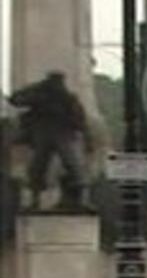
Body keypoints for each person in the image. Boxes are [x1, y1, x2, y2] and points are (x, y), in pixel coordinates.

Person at [6, 72, 90, 211]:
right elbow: (15, 99)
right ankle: (35, 200)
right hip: (45, 132)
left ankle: (78, 199)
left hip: (61, 132)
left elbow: (79, 119)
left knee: (72, 166)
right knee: (39, 166)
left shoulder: (67, 98)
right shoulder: (40, 94)